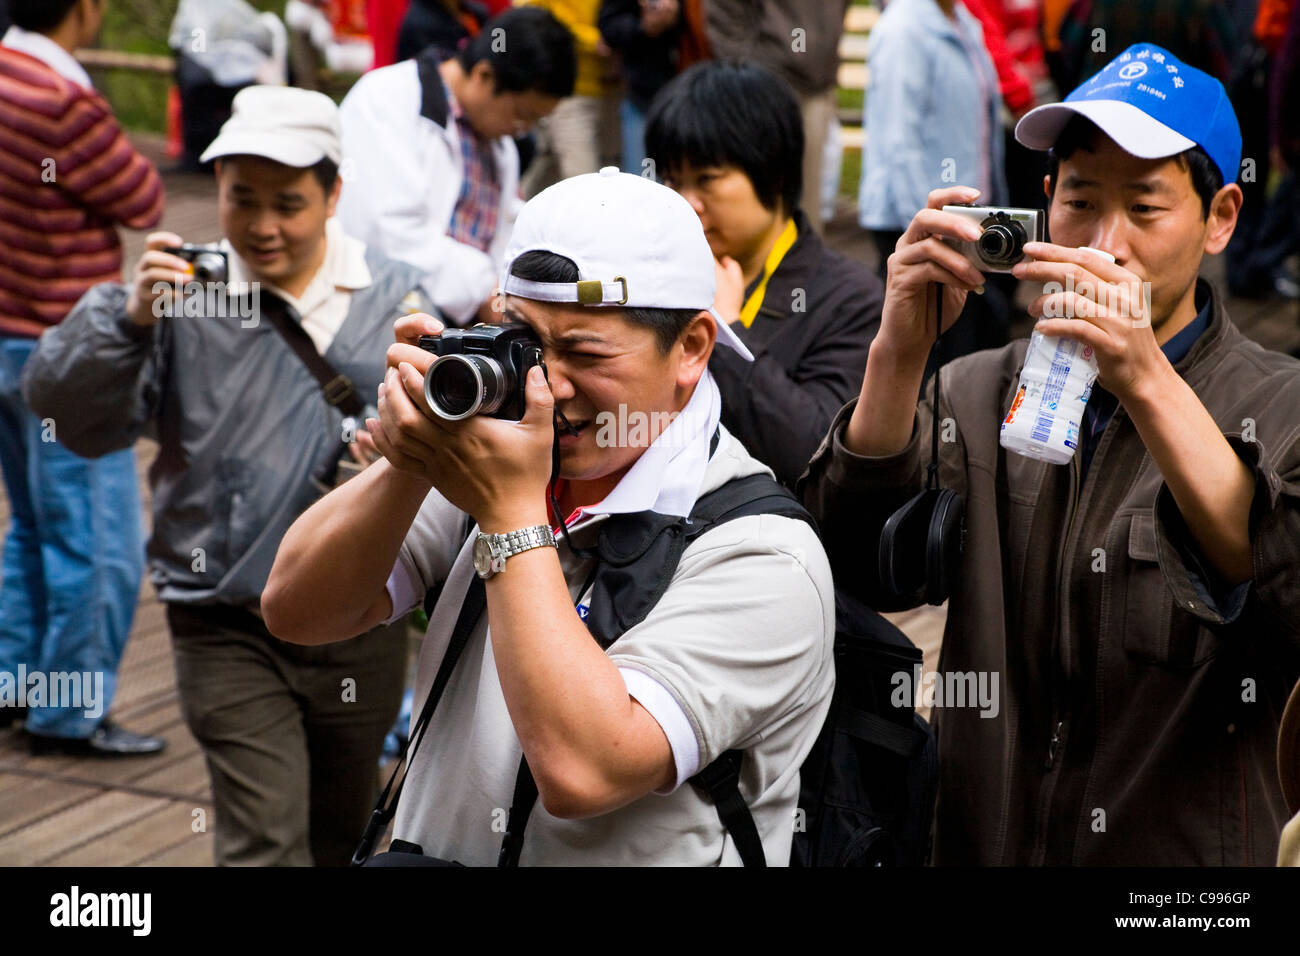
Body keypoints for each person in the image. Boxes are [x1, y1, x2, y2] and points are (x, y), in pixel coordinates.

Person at [800, 43, 1300, 865]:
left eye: (1145, 209)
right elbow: (852, 566)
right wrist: (897, 354)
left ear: (1221, 219)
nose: (1105, 244)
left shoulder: (1281, 410)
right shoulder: (980, 389)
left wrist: (1143, 378)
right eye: (1079, 202)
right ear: (1040, 207)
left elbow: (1283, 603)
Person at [262, 168, 836, 866]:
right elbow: (299, 610)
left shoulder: (765, 555)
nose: (548, 388)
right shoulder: (499, 455)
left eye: (586, 353)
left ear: (690, 348)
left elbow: (586, 769)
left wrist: (509, 515)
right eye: (526, 346)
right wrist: (412, 454)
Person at [22, 87, 428, 866]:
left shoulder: (396, 298)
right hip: (224, 618)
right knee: (264, 839)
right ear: (217, 192)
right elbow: (69, 412)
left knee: (349, 832)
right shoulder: (180, 294)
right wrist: (128, 320)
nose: (265, 226)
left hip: (360, 616)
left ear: (334, 194)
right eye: (243, 200)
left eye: (289, 203)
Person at [0, 0, 165, 755]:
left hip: (7, 337)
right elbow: (142, 197)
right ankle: (66, 715)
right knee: (98, 544)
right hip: (61, 353)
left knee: (33, 525)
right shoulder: (62, 100)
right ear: (86, 8)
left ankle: (15, 685)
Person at [645, 60, 882, 488]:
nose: (686, 203)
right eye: (673, 181)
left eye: (706, 180)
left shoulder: (852, 299)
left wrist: (727, 329)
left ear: (773, 176)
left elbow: (815, 453)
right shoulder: (656, 274)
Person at [336, 6, 574, 327]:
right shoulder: (387, 100)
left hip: (464, 314)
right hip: (387, 311)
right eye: (522, 114)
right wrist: (482, 290)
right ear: (485, 76)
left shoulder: (497, 140)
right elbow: (388, 231)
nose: (522, 130)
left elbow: (503, 227)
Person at [517, 0, 622, 198]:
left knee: (604, 173)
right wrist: (594, 41)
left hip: (613, 93)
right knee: (584, 182)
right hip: (569, 95)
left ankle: (512, 214)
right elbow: (540, 19)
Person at [598, 0, 682, 174]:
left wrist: (677, 14)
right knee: (644, 175)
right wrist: (644, 26)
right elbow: (609, 27)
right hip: (642, 96)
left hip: (691, 91)